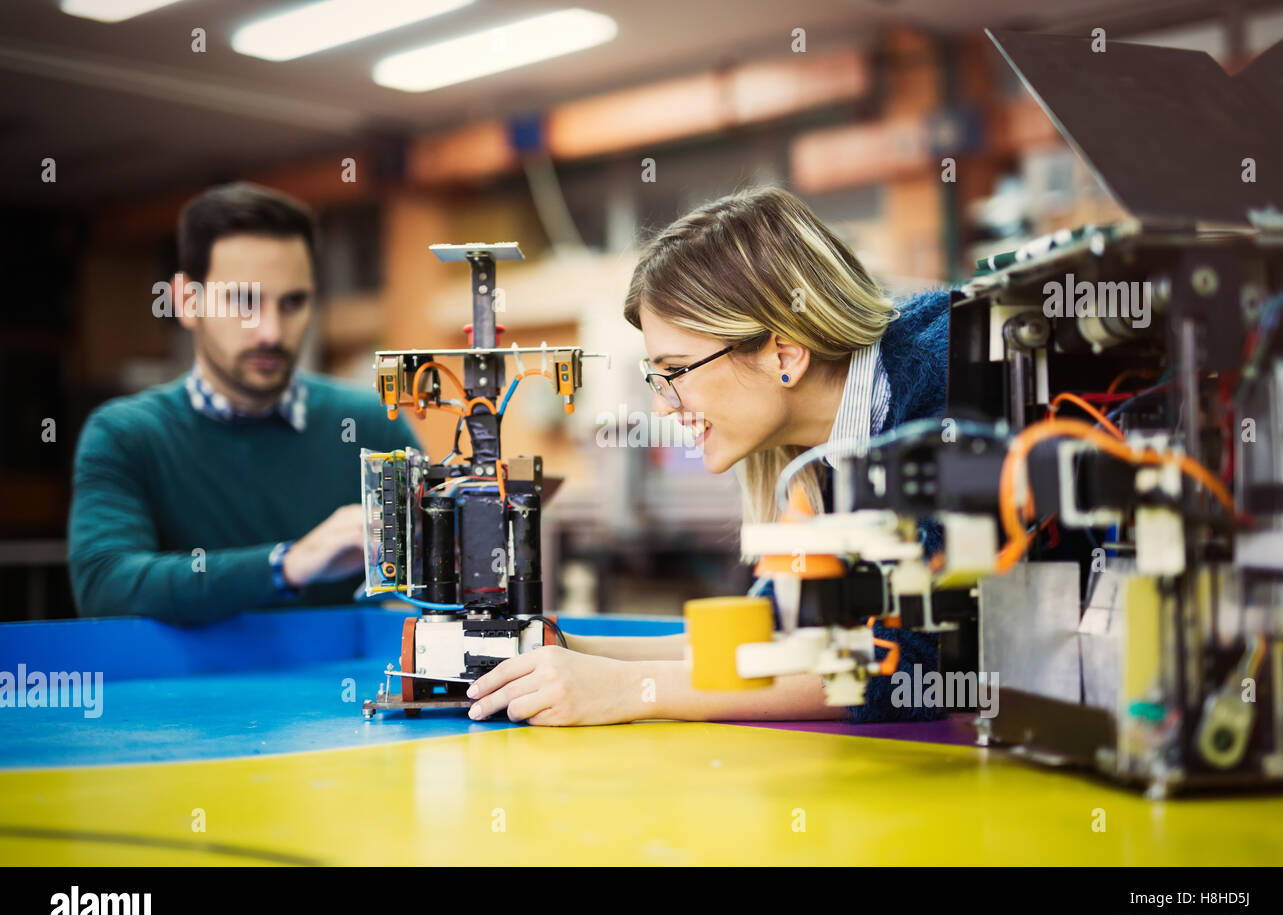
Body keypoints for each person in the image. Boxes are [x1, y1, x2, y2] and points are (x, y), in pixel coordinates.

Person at [465, 185, 949, 726]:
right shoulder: (821, 453)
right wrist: (563, 649)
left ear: (784, 353)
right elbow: (771, 629)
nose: (662, 405)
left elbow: (913, 667)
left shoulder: (951, 386)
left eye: (675, 371)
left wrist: (634, 690)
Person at [68, 182, 419, 626]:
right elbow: (106, 587)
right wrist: (286, 564)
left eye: (293, 302)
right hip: (188, 694)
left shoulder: (371, 424)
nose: (271, 331)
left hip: (343, 693)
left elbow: (435, 571)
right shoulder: (126, 435)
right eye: (244, 300)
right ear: (187, 302)